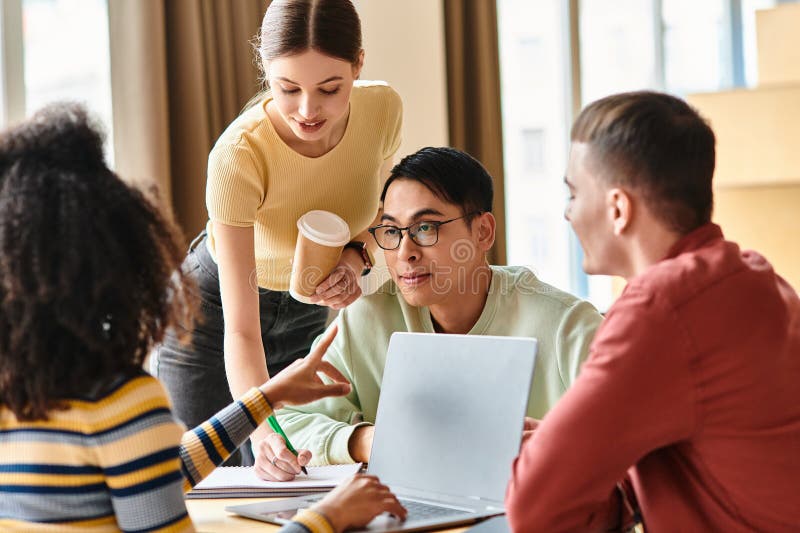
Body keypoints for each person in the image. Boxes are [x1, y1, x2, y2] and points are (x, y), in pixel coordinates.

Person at [0, 104, 406, 533]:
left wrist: (263, 400)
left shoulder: (20, 396)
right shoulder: (123, 406)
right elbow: (141, 454)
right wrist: (326, 518)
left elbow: (154, 470)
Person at [506, 91, 800, 531]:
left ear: (618, 208)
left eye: (573, 194)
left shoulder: (661, 308)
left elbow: (533, 510)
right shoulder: (752, 276)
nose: (568, 215)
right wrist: (565, 449)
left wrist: (540, 454)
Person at [155, 0, 403, 468]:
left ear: (358, 65)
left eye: (331, 89)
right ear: (265, 69)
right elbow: (242, 330)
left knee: (296, 474)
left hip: (305, 311)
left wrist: (355, 258)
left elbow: (383, 216)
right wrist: (264, 428)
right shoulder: (239, 155)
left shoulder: (382, 110)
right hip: (212, 324)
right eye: (287, 88)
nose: (308, 110)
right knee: (212, 486)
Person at [261, 147, 602, 480]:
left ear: (482, 232)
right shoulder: (366, 319)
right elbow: (290, 420)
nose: (405, 252)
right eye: (392, 231)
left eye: (426, 228)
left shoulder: (568, 326)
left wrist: (562, 446)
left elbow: (627, 441)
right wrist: (368, 441)